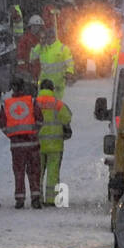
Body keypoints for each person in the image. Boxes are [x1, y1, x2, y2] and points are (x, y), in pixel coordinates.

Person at [2, 77, 42, 209]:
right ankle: (35, 198)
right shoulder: (31, 101)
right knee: (34, 172)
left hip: (16, 146)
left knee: (18, 173)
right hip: (32, 144)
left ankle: (20, 199)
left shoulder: (7, 103)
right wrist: (34, 132)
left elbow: (2, 123)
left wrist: (11, 135)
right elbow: (40, 119)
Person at [36, 78, 72, 206]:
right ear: (52, 89)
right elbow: (67, 117)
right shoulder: (57, 104)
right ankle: (51, 199)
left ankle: (37, 198)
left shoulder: (34, 103)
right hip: (55, 145)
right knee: (53, 172)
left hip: (37, 144)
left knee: (37, 172)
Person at [30, 24, 76, 100]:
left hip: (57, 84)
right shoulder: (42, 48)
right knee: (43, 106)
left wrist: (69, 72)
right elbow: (32, 57)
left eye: (50, 37)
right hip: (44, 83)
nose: (48, 39)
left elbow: (70, 63)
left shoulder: (63, 49)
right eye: (46, 37)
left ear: (54, 37)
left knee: (55, 106)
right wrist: (39, 46)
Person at [15, 15, 45, 82]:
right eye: (34, 26)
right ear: (30, 27)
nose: (36, 28)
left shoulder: (42, 40)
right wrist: (24, 70)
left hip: (40, 72)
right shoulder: (25, 39)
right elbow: (20, 56)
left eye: (38, 26)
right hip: (28, 73)